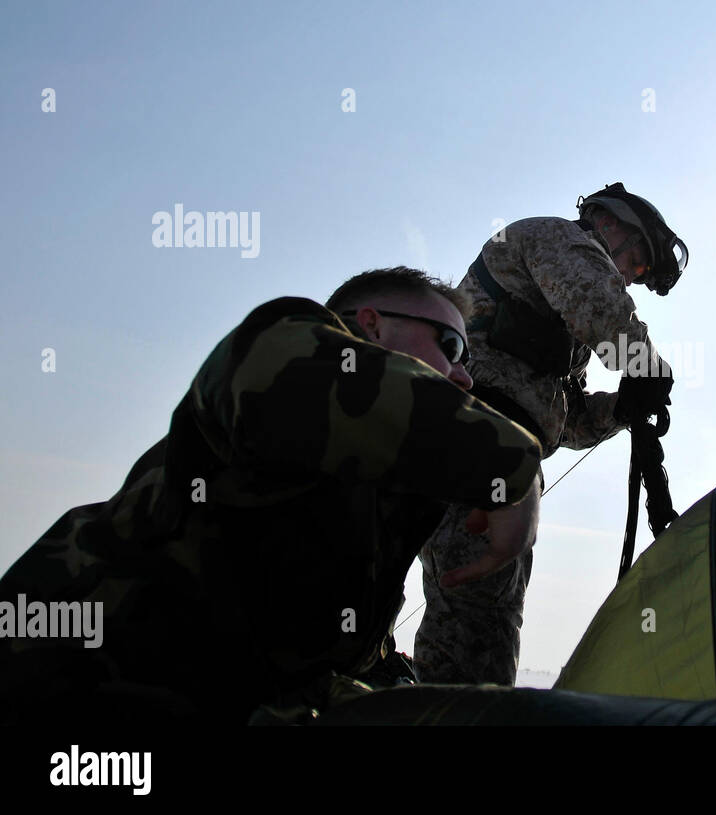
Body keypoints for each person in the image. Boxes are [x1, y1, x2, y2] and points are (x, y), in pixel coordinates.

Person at [0, 267, 542, 725]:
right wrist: (514, 471)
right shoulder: (280, 355)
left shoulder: (371, 504)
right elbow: (292, 372)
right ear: (370, 326)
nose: (463, 377)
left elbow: (293, 676)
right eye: (449, 346)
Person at [415, 183, 685, 685]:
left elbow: (569, 421)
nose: (629, 276)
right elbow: (597, 305)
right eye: (636, 261)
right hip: (472, 443)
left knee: (482, 618)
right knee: (476, 628)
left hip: (501, 463)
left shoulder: (565, 330)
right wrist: (647, 368)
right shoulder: (557, 239)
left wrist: (622, 408)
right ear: (608, 223)